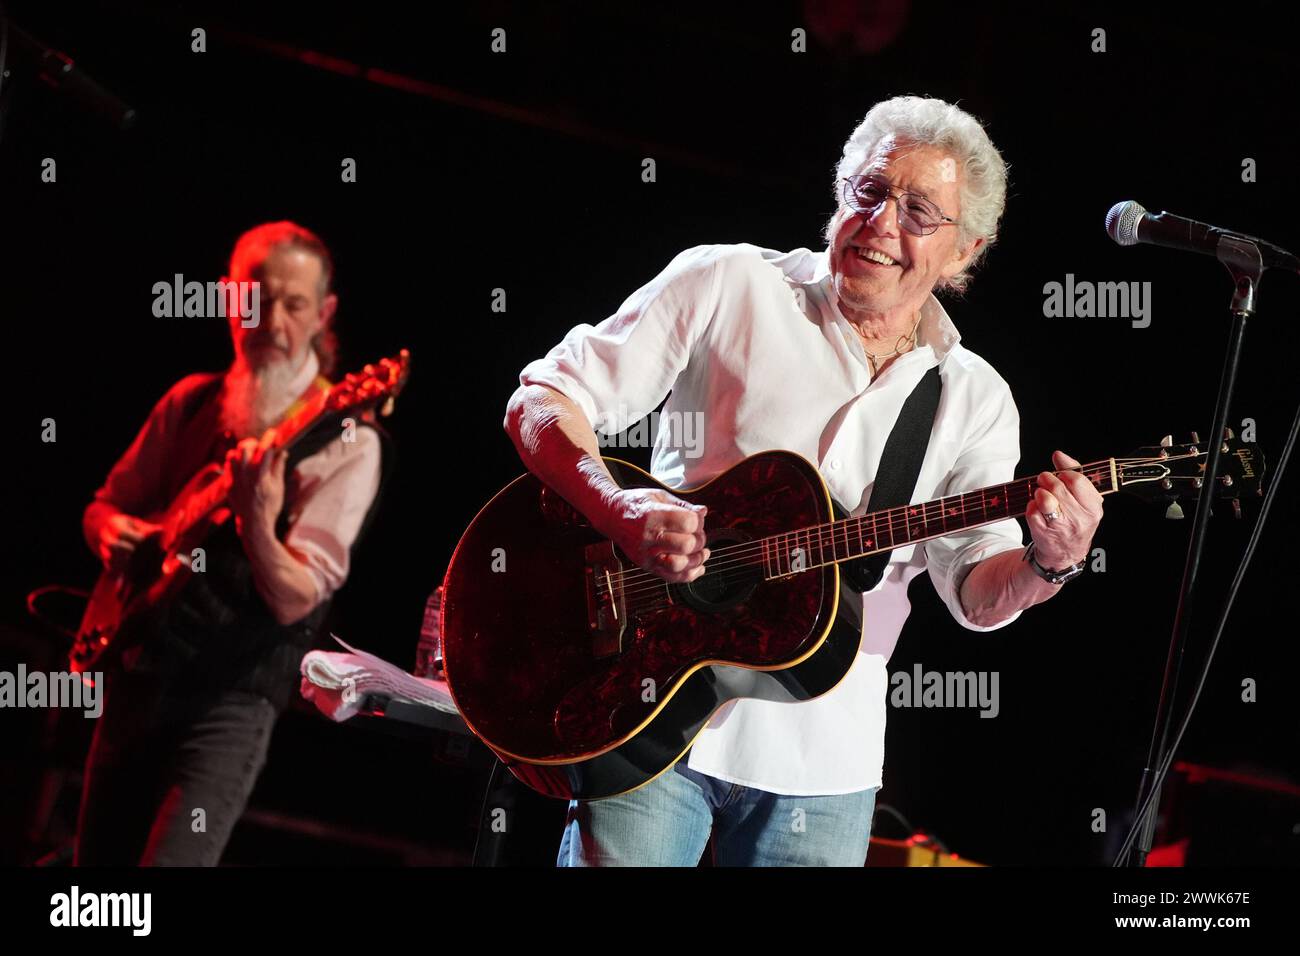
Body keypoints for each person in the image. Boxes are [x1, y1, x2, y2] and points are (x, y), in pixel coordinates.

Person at [504, 96, 1104, 866]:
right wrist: (618, 507)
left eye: (920, 211)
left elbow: (976, 594)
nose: (884, 223)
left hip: (823, 765)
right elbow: (542, 400)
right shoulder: (728, 283)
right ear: (839, 190)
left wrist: (1049, 562)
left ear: (966, 251)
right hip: (646, 708)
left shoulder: (976, 398)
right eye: (870, 191)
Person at [75, 221, 386, 865]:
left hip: (229, 702)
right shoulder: (190, 401)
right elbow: (103, 508)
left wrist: (255, 522)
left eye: (294, 304)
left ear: (324, 314)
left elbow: (298, 599)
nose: (271, 320)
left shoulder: (347, 440)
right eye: (254, 297)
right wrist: (112, 533)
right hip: (135, 682)